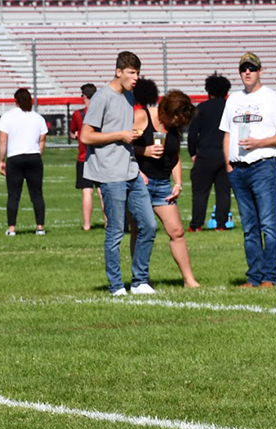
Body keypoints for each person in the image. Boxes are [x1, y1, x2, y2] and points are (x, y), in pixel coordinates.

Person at [81, 50, 157, 296]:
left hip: (130, 170)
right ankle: (116, 286)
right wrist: (120, 135)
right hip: (110, 173)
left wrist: (136, 149)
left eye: (137, 73)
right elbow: (86, 136)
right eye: (131, 73)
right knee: (116, 231)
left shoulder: (129, 96)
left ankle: (140, 281)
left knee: (148, 225)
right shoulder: (102, 97)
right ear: (118, 71)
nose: (135, 78)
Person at [220, 52, 276, 288]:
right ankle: (253, 276)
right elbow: (227, 133)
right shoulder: (232, 99)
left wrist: (259, 143)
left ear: (261, 70)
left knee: (268, 224)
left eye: (252, 68)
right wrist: (228, 164)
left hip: (262, 166)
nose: (247, 72)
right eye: (244, 69)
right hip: (239, 169)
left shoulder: (273, 98)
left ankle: (269, 276)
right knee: (249, 226)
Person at [130, 81, 199, 288]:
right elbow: (122, 146)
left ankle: (189, 280)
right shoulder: (142, 116)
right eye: (175, 120)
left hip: (162, 185)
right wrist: (145, 152)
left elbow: (175, 155)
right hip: (139, 183)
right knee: (141, 230)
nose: (177, 125)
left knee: (176, 231)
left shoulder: (173, 126)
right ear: (165, 110)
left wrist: (178, 183)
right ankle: (141, 279)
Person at [0, 88, 48, 237]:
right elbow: (42, 140)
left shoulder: (7, 117)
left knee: (13, 195)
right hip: (33, 157)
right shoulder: (38, 118)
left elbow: (2, 140)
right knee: (37, 194)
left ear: (16, 101)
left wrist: (1, 159)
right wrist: (38, 155)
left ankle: (12, 228)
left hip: (15, 158)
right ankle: (40, 227)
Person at [188, 73, 231, 232]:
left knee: (200, 192)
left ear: (208, 90)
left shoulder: (202, 108)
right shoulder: (230, 107)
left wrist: (193, 152)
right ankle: (221, 225)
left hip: (205, 155)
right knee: (223, 192)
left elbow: (193, 133)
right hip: (226, 155)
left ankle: (196, 225)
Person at [70, 83, 104, 231]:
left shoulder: (78, 114)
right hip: (101, 156)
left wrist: (77, 135)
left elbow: (73, 133)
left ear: (83, 96)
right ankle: (108, 222)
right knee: (103, 191)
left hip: (84, 157)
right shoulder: (101, 112)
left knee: (87, 191)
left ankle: (86, 225)